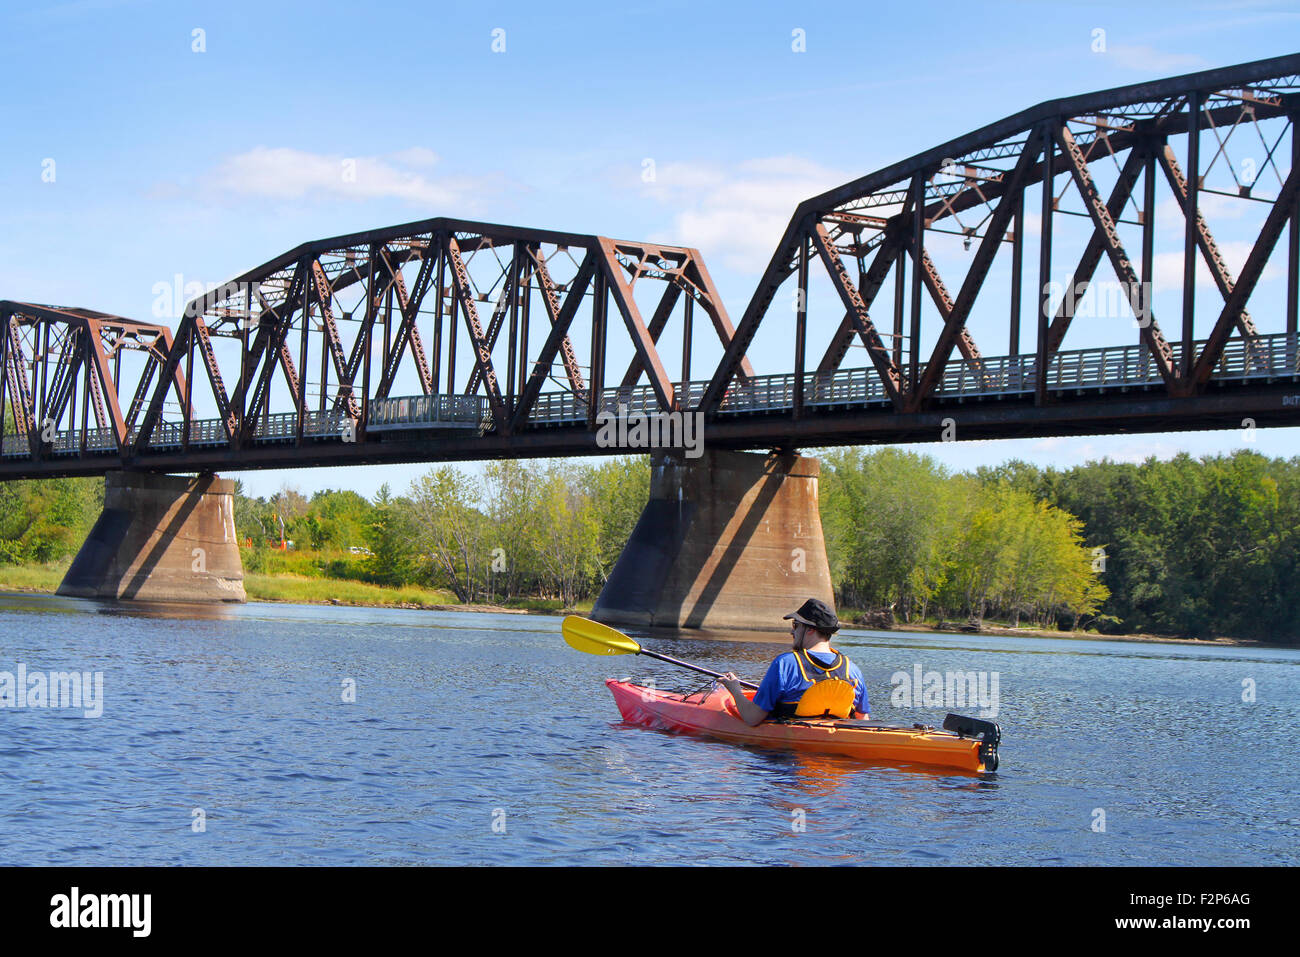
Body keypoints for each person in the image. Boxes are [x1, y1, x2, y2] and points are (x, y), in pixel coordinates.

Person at [719, 598, 868, 726]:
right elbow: (863, 720)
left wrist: (735, 690)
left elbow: (752, 718)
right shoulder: (852, 669)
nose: (792, 632)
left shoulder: (785, 664)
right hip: (836, 744)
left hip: (787, 754)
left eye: (796, 625)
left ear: (810, 629)